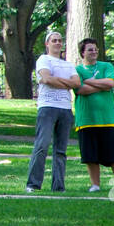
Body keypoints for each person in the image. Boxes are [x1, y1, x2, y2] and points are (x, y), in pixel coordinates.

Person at [73, 38, 114, 193]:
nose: (94, 52)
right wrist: (100, 84)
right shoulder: (77, 70)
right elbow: (80, 90)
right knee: (90, 156)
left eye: (96, 49)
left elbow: (111, 84)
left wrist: (90, 81)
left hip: (108, 120)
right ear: (83, 53)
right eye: (90, 49)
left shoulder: (106, 66)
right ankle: (95, 185)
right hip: (86, 120)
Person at [27, 31, 78, 193]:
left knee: (61, 150)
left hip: (65, 109)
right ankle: (33, 185)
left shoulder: (68, 64)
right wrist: (66, 83)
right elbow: (47, 79)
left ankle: (58, 187)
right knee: (42, 146)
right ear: (47, 44)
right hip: (47, 107)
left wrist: (55, 80)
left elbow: (76, 83)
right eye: (54, 40)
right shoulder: (43, 60)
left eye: (60, 40)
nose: (57, 43)